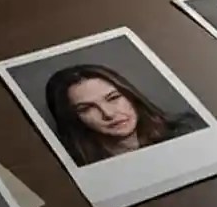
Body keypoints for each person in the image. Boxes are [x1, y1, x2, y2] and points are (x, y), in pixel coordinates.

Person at [45, 64, 205, 167]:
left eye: (113, 98)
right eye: (86, 108)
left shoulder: (188, 129)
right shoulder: (75, 167)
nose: (108, 114)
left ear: (130, 95)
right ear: (73, 119)